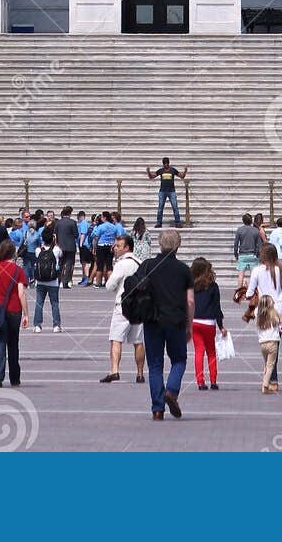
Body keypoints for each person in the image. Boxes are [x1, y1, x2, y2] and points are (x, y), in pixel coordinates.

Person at [132, 228, 194, 421]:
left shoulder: (148, 265)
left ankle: (157, 409)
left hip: (152, 321)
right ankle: (172, 391)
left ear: (159, 243)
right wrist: (189, 326)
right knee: (179, 360)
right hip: (175, 321)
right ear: (178, 246)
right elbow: (190, 301)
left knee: (155, 366)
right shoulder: (184, 270)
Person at [100, 232, 146, 384]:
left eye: (118, 246)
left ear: (127, 247)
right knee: (138, 341)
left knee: (116, 339)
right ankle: (140, 373)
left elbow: (109, 285)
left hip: (122, 307)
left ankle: (114, 370)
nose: (115, 248)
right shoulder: (140, 263)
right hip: (139, 307)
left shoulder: (121, 264)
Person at [244, 245, 282, 392]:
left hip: (263, 309)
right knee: (275, 344)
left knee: (265, 342)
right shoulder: (281, 269)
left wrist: (247, 291)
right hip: (278, 309)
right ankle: (271, 378)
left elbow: (249, 293)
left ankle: (270, 378)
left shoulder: (257, 271)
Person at [0, 238, 28, 388]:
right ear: (13, 253)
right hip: (14, 310)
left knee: (0, 343)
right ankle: (15, 377)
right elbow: (21, 293)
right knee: (13, 344)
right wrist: (26, 314)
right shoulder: (18, 270)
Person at [190, 255, 225, 390]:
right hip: (209, 322)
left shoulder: (190, 285)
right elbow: (217, 308)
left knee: (199, 351)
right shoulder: (213, 286)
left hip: (194, 321)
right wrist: (221, 325)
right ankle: (213, 381)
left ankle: (200, 381)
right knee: (211, 352)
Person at [32, 228, 62, 331]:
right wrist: (56, 242)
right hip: (53, 281)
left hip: (40, 281)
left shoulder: (38, 250)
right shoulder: (56, 250)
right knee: (54, 303)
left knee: (39, 303)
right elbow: (61, 256)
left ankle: (37, 325)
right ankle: (56, 325)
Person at [147, 156, 187, 228]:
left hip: (172, 191)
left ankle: (177, 223)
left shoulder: (173, 170)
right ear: (163, 164)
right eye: (164, 163)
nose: (166, 165)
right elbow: (152, 177)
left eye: (167, 163)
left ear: (169, 163)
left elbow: (182, 176)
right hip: (162, 191)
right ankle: (159, 223)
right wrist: (148, 172)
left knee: (175, 207)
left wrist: (185, 171)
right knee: (160, 208)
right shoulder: (161, 171)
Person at [256, 293, 282, 395]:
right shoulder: (274, 314)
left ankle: (264, 381)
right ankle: (265, 385)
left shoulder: (259, 317)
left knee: (266, 364)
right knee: (270, 365)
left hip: (262, 343)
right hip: (273, 342)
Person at [233, 213, 262, 293]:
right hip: (253, 254)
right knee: (253, 275)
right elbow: (259, 244)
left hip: (242, 254)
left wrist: (236, 253)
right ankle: (252, 291)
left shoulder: (239, 230)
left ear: (243, 221)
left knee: (241, 273)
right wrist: (257, 253)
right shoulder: (256, 230)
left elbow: (236, 243)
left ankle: (239, 291)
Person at [56, 206, 79, 289]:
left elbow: (55, 234)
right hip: (70, 246)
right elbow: (76, 235)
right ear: (70, 213)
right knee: (69, 264)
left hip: (61, 245)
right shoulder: (72, 222)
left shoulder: (58, 222)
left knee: (60, 264)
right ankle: (65, 281)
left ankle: (58, 280)